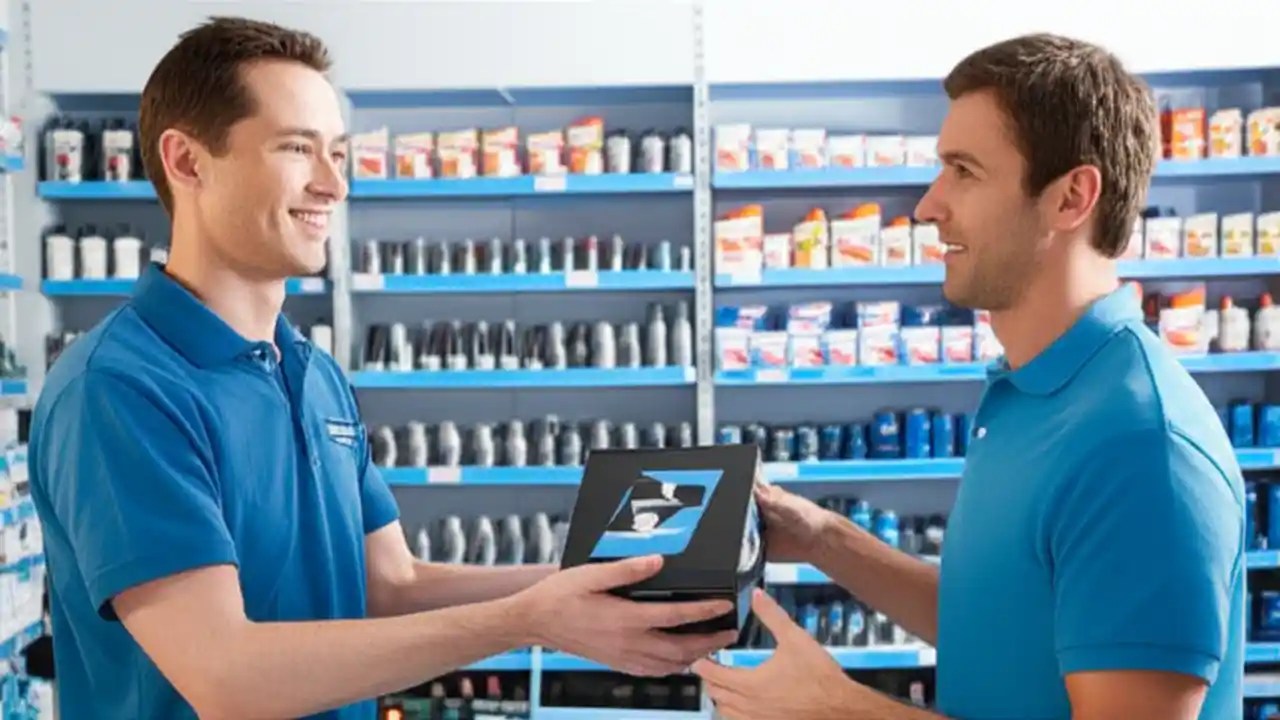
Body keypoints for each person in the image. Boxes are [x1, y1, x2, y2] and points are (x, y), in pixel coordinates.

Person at [27, 16, 738, 720]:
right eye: (298, 148)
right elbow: (226, 676)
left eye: (339, 152)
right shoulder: (119, 389)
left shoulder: (312, 373)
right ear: (187, 162)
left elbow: (390, 585)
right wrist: (527, 622)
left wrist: (592, 583)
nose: (335, 184)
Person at [693, 33, 1244, 720]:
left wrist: (837, 711)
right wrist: (823, 538)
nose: (927, 206)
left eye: (965, 171)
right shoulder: (1026, 394)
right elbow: (1004, 628)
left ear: (1071, 197)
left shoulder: (1140, 446)